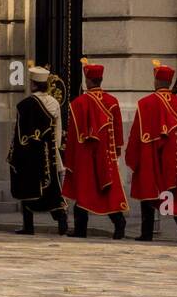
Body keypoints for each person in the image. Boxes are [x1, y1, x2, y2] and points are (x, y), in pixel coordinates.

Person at [125, 60, 177, 243]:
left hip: (148, 155)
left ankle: (148, 232)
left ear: (156, 81)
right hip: (170, 157)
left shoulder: (145, 103)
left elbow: (136, 132)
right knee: (168, 195)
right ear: (170, 82)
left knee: (148, 193)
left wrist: (132, 157)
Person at [62, 59, 128, 239]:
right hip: (106, 155)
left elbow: (74, 134)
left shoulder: (78, 103)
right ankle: (119, 224)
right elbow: (118, 130)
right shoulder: (112, 101)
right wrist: (116, 151)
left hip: (85, 155)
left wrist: (70, 157)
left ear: (88, 80)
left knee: (83, 191)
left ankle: (80, 230)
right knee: (108, 193)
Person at [7, 64, 68, 236]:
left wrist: (14, 154)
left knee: (28, 186)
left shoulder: (24, 105)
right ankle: (61, 218)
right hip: (49, 154)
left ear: (33, 84)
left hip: (29, 154)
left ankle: (28, 226)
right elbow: (57, 129)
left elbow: (19, 133)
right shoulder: (54, 102)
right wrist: (55, 149)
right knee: (51, 188)